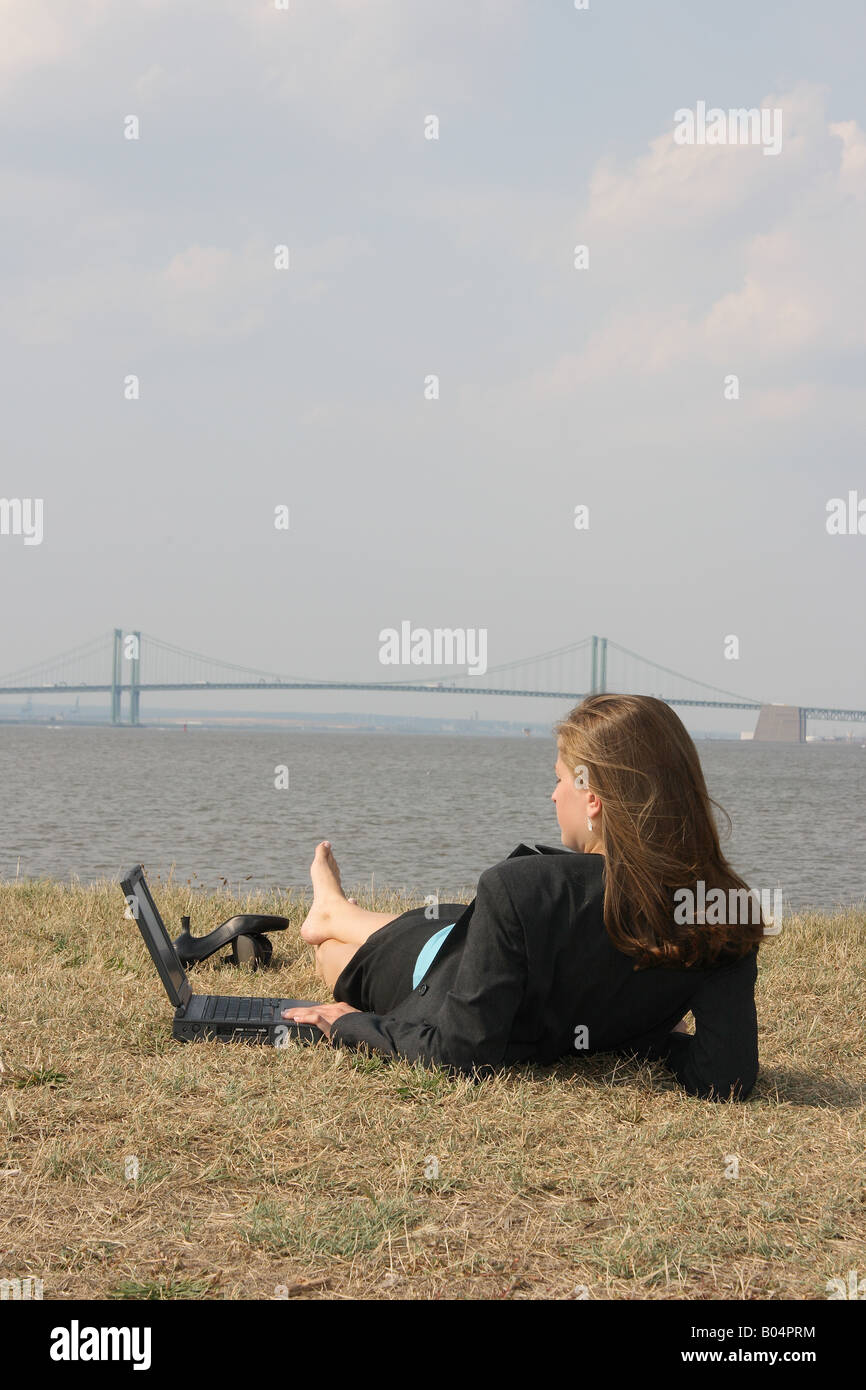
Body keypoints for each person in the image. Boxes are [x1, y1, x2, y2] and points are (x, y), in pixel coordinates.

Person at [283, 694, 763, 1100]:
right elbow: (726, 1077)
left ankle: (329, 915)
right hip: (483, 940)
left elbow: (459, 1055)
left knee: (338, 958)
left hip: (440, 975)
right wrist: (652, 1039)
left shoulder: (520, 888)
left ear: (591, 797)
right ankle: (334, 909)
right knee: (442, 926)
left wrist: (348, 1024)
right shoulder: (721, 910)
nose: (554, 796)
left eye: (558, 779)